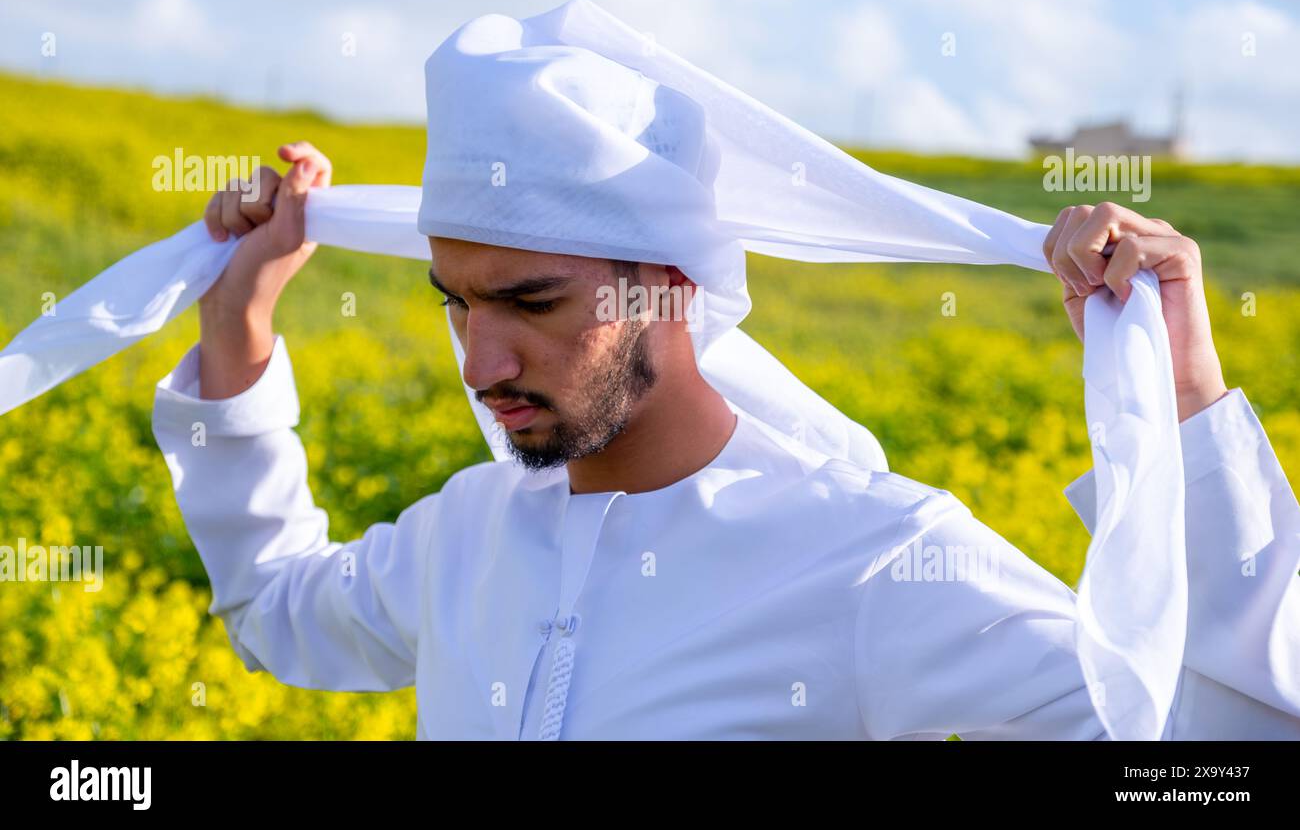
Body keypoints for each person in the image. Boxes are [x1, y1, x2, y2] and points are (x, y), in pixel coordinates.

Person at [150, 133, 1300, 740]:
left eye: (532, 303)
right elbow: (276, 611)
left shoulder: (873, 558)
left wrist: (1183, 387)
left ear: (668, 288)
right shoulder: (469, 530)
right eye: (455, 300)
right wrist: (236, 321)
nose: (478, 362)